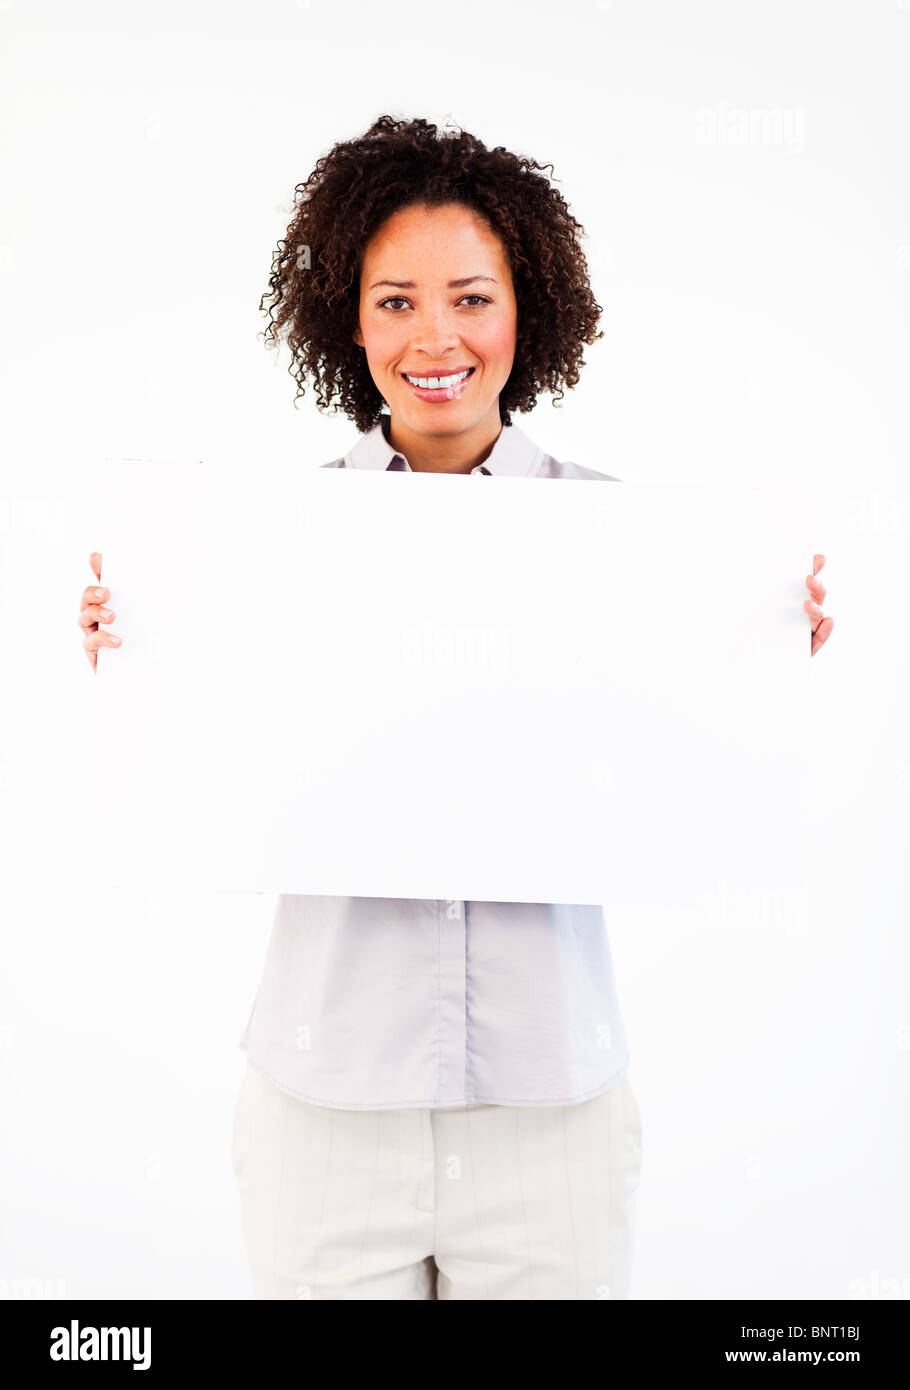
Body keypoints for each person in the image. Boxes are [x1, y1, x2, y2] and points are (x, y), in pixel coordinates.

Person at [78, 115, 833, 1301]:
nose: (436, 336)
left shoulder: (631, 542)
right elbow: (201, 758)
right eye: (394, 302)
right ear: (347, 318)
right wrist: (139, 645)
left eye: (471, 297)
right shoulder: (257, 551)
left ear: (525, 311)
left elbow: (689, 767)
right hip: (321, 1106)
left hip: (552, 1113)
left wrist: (764, 638)